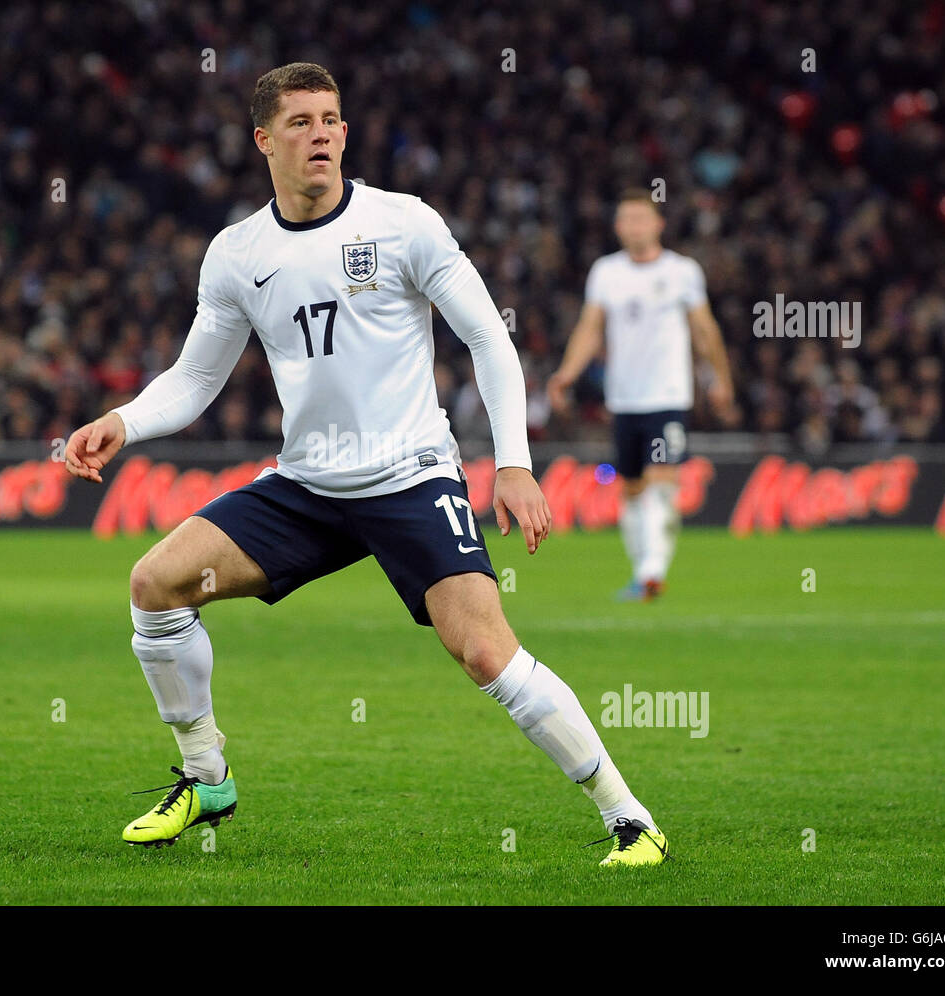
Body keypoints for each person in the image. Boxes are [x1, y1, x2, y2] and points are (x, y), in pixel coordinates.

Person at [65, 64, 668, 866]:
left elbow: (489, 337)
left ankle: (629, 818)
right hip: (308, 487)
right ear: (263, 140)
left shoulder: (404, 223)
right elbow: (197, 378)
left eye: (332, 120)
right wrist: (122, 421)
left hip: (410, 475)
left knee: (486, 652)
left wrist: (513, 462)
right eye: (302, 121)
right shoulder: (237, 253)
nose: (321, 133)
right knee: (155, 585)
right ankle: (207, 778)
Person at [547, 189, 733, 600]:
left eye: (640, 218)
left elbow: (705, 330)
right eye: (626, 219)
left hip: (667, 397)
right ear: (617, 227)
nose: (633, 226)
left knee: (662, 479)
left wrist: (719, 378)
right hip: (624, 399)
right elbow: (589, 328)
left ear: (658, 224)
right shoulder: (606, 272)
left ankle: (653, 572)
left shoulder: (682, 271)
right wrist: (566, 373)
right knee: (631, 487)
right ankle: (642, 571)